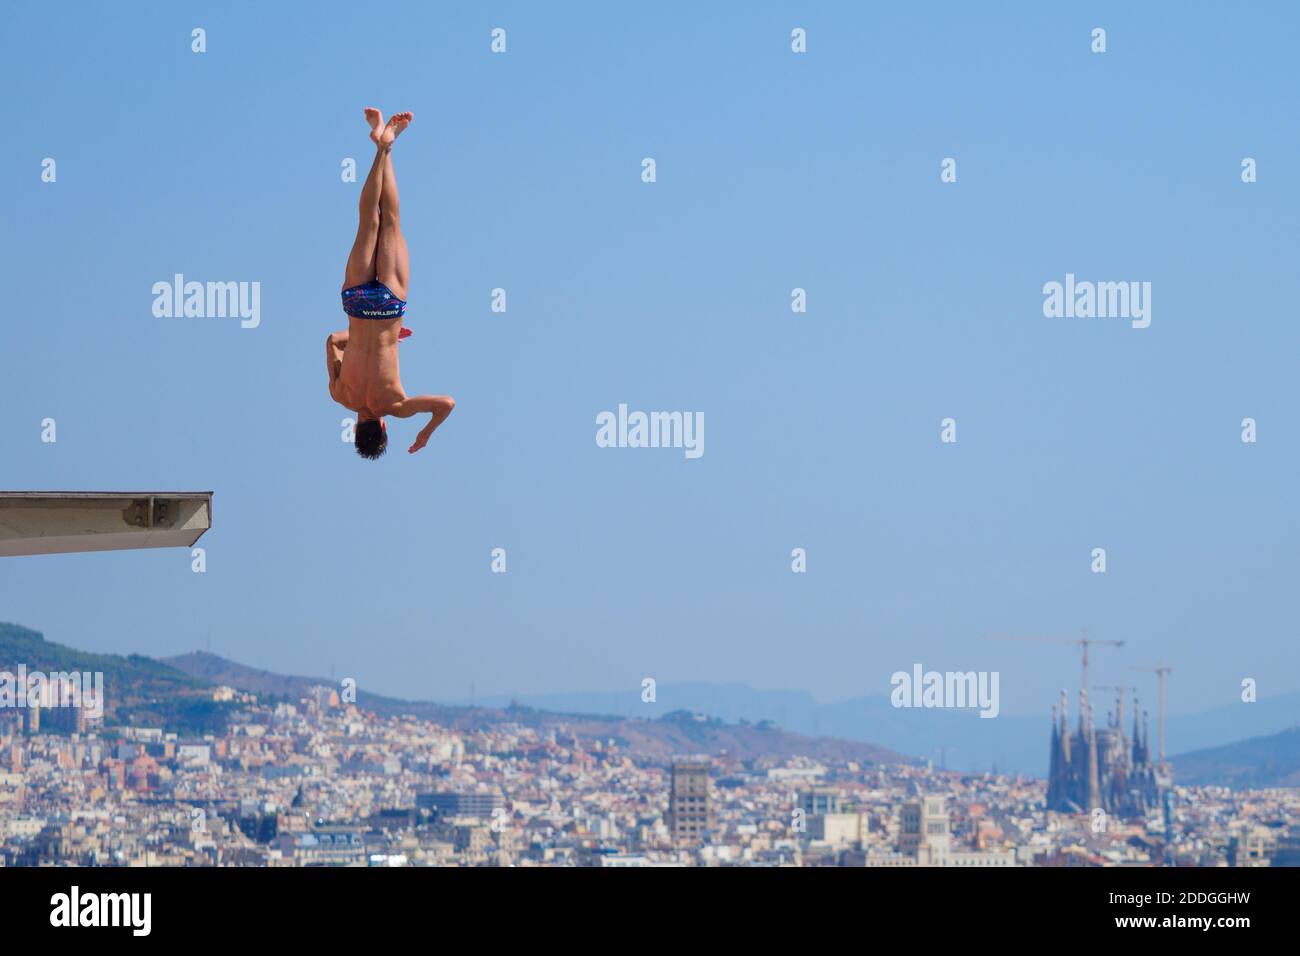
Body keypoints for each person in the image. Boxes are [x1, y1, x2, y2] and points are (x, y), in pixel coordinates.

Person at [327, 108, 455, 459]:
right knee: (368, 221)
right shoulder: (341, 395)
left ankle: (386, 147)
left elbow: (446, 403)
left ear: (383, 428)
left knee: (392, 221)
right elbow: (333, 342)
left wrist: (427, 432)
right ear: (356, 429)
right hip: (356, 303)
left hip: (387, 308)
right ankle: (381, 148)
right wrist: (361, 339)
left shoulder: (396, 405)